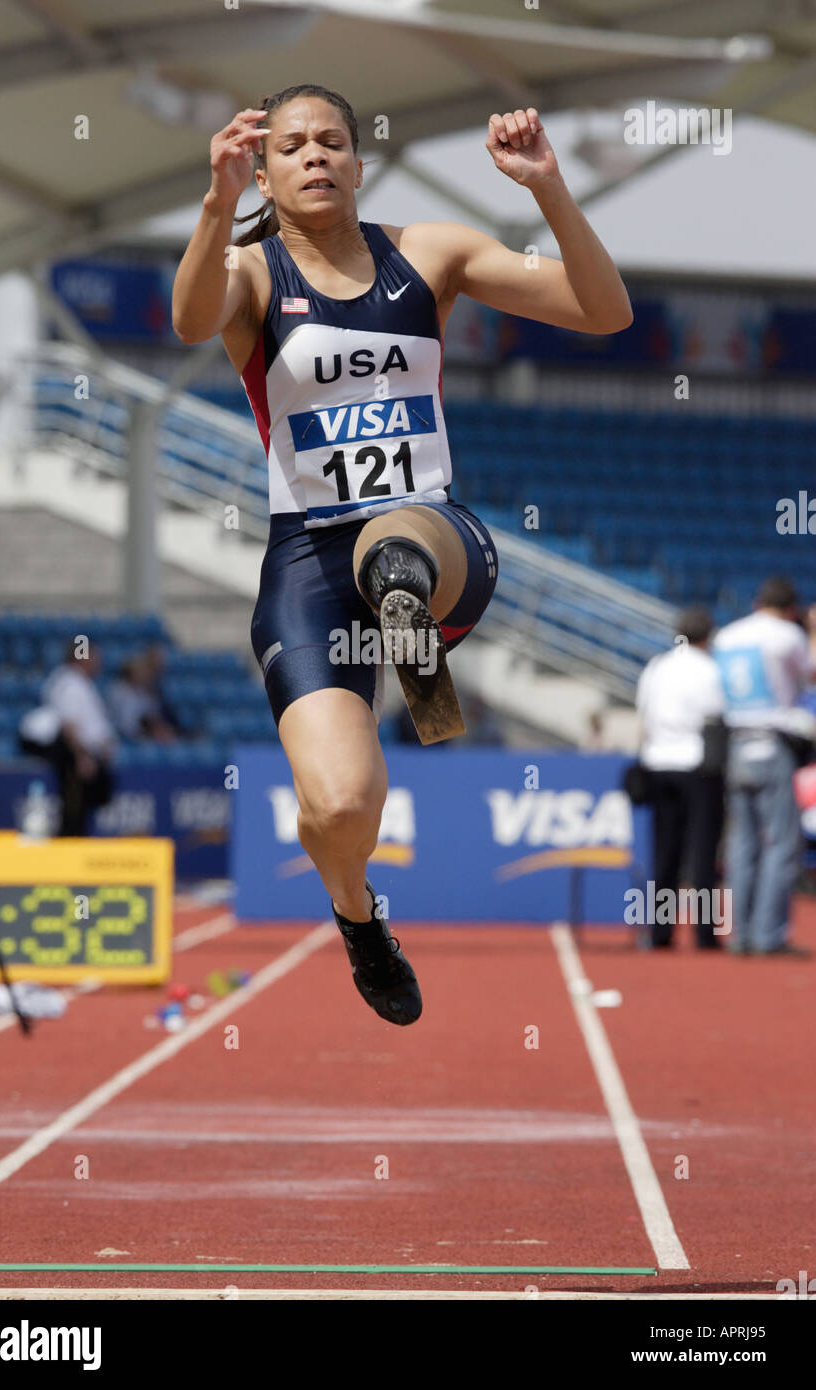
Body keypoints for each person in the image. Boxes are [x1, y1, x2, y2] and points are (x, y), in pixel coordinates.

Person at [172, 84, 633, 1025]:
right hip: (305, 559)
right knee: (342, 806)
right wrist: (216, 203)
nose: (314, 156)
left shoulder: (428, 252)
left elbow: (603, 311)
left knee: (392, 546)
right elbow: (187, 321)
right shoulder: (253, 276)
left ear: (357, 159)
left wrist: (548, 189)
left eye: (333, 141)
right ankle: (357, 915)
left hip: (431, 534)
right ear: (263, 168)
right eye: (292, 145)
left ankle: (405, 618)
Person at [713, 578, 816, 955]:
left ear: (758, 602)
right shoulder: (786, 635)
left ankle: (739, 934)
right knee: (781, 843)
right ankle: (768, 935)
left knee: (741, 844)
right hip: (773, 744)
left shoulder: (727, 635)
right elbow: (811, 674)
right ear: (790, 609)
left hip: (737, 743)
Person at [635, 608, 726, 949]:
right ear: (708, 636)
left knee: (665, 852)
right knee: (702, 852)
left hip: (659, 763)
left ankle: (661, 932)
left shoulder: (657, 666)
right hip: (696, 765)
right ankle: (704, 934)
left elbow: (643, 716)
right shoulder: (710, 670)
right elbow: (718, 718)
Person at [19, 641, 116, 836]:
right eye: (93, 657)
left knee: (82, 806)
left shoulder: (82, 684)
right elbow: (69, 725)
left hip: (80, 751)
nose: (98, 662)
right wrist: (82, 756)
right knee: (74, 805)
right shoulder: (71, 683)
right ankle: (70, 842)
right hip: (69, 752)